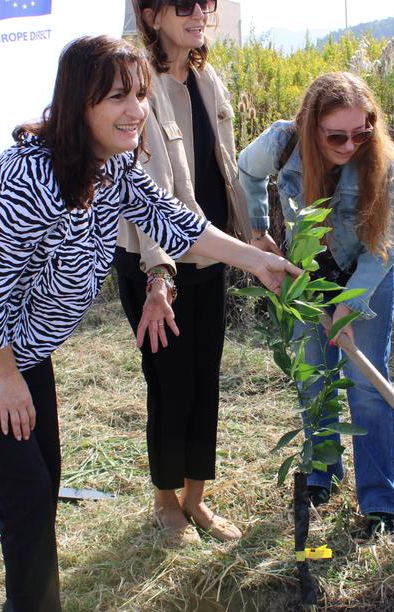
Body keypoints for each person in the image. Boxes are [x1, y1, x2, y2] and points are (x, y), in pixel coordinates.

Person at [0, 35, 295, 612]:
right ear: (78, 103)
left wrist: (254, 259)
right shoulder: (28, 180)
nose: (135, 110)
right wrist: (6, 378)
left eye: (140, 95)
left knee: (41, 485)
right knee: (26, 493)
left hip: (22, 350)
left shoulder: (115, 168)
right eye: (118, 96)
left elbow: (176, 222)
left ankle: (26, 608)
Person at [239, 71, 394, 538]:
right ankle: (321, 474)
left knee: (368, 385)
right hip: (307, 276)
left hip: (367, 278)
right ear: (312, 126)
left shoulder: (384, 164)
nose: (351, 144)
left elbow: (384, 246)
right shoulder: (282, 142)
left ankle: (378, 501)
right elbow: (247, 169)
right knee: (313, 377)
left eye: (362, 132)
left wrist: (349, 307)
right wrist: (258, 231)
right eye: (337, 135)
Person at [117, 0, 252, 546]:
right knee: (170, 383)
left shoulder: (206, 77)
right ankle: (165, 500)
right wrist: (159, 277)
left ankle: (196, 498)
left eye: (206, 3)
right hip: (158, 268)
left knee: (205, 380)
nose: (200, 13)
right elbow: (150, 197)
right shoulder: (139, 91)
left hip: (210, 256)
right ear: (150, 16)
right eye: (183, 4)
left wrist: (253, 236)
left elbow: (228, 166)